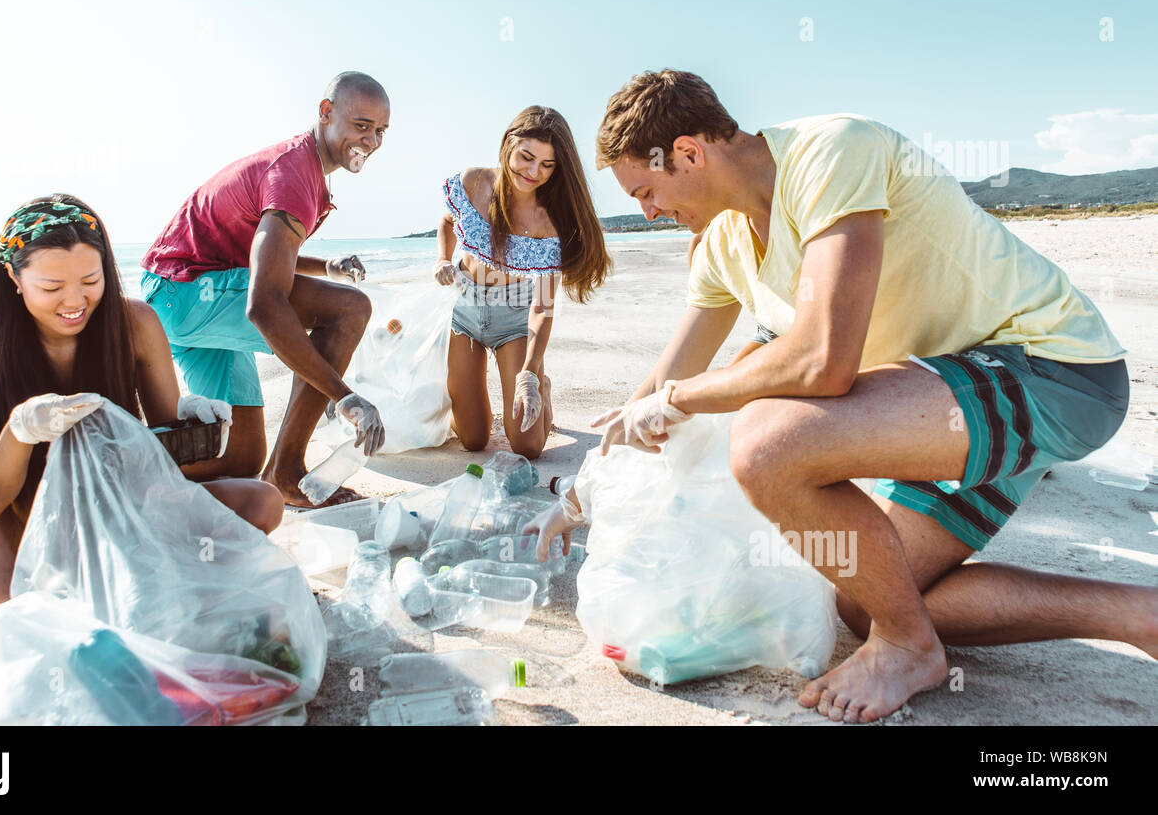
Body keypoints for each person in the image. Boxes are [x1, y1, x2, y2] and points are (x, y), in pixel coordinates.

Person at [530, 69, 1156, 723]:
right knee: (868, 594)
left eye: (647, 191)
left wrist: (683, 399)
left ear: (689, 152)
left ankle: (910, 650)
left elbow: (822, 361)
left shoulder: (831, 152)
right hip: (953, 397)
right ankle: (1137, 613)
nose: (649, 210)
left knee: (769, 444)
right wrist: (578, 497)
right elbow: (659, 388)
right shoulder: (721, 245)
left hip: (1057, 370)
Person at [0, 194, 284, 620]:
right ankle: (17, 606)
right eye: (51, 287)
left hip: (117, 521)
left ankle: (103, 586)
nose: (74, 301)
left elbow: (165, 468)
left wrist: (192, 421)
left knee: (260, 503)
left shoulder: (134, 324)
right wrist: (20, 431)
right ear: (13, 276)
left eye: (90, 281)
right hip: (23, 536)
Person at [139, 72, 390, 507]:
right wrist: (344, 396)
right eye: (362, 125)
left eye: (381, 131)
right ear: (326, 112)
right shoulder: (294, 173)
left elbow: (266, 258)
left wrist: (327, 266)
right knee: (348, 310)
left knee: (240, 457)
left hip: (186, 297)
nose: (370, 140)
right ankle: (288, 472)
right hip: (186, 292)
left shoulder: (305, 170)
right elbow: (263, 303)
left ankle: (132, 476)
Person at [434, 106, 611, 458]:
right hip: (464, 311)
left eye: (547, 165)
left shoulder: (549, 221)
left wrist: (529, 374)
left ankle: (543, 386)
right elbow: (447, 221)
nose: (533, 172)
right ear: (507, 145)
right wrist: (442, 258)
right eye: (526, 157)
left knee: (527, 447)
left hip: (515, 318)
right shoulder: (474, 182)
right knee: (473, 440)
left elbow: (543, 305)